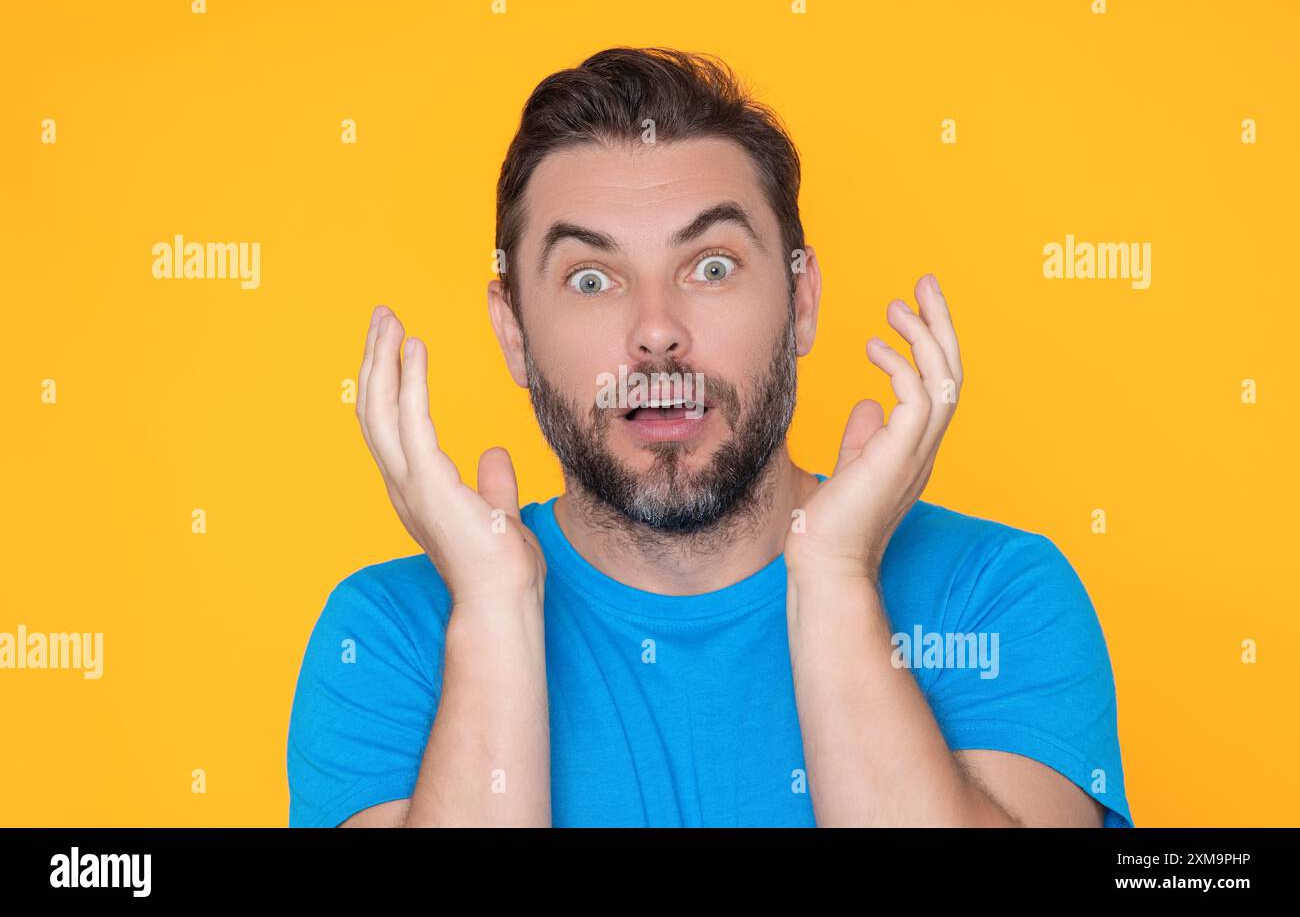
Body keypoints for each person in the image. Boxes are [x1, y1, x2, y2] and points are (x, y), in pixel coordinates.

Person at [287, 46, 1132, 828]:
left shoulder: (992, 594)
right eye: (592, 279)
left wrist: (836, 580)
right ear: (513, 333)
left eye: (712, 267)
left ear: (801, 302)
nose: (656, 331)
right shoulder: (389, 634)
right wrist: (494, 614)